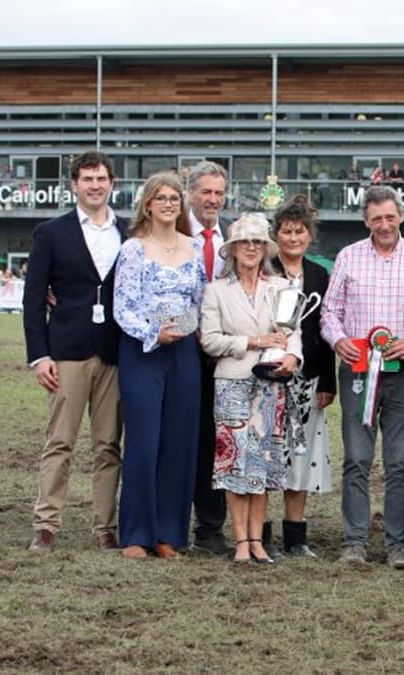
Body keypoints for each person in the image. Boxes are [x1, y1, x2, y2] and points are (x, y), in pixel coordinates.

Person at [321, 185, 404, 568]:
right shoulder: (348, 257)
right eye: (376, 219)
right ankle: (354, 542)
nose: (384, 225)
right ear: (365, 221)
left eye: (390, 217)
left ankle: (397, 546)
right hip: (357, 372)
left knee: (400, 462)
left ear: (401, 216)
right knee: (356, 458)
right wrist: (338, 340)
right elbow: (329, 311)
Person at [22, 151, 126, 552]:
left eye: (101, 178)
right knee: (60, 441)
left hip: (113, 352)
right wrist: (39, 356)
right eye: (87, 179)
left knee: (108, 445)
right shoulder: (51, 232)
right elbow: (33, 300)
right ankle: (46, 524)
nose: (95, 185)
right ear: (74, 185)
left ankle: (106, 527)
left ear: (111, 183)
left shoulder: (129, 233)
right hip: (66, 352)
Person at [201, 214, 302, 564]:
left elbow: (293, 332)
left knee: (263, 464)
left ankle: (258, 539)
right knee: (233, 465)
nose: (251, 248)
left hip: (270, 386)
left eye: (257, 242)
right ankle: (241, 540)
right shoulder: (216, 291)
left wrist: (292, 357)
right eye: (245, 242)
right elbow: (210, 341)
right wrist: (254, 341)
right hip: (230, 383)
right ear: (232, 249)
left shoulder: (280, 288)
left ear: (264, 248)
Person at [113, 171, 204, 559]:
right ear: (147, 204)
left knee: (179, 444)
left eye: (175, 198)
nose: (169, 204)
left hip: (183, 351)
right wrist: (154, 334)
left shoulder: (194, 246)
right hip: (142, 350)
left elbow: (199, 301)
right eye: (161, 198)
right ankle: (136, 533)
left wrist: (181, 330)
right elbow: (123, 306)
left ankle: (168, 533)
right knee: (145, 442)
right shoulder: (134, 249)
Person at [271, 194, 335, 557]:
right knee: (268, 455)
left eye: (299, 231)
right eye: (286, 231)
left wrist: (328, 381)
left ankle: (296, 537)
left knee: (300, 455)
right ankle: (260, 535)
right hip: (267, 377)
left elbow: (327, 331)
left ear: (309, 235)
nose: (293, 238)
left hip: (308, 378)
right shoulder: (264, 268)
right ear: (276, 234)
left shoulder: (319, 274)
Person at [187, 161, 236, 556]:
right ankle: (167, 521)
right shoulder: (167, 229)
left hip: (222, 356)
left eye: (219, 193)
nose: (213, 200)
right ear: (191, 192)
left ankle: (210, 526)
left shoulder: (234, 237)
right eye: (206, 192)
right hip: (178, 350)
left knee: (216, 441)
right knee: (178, 439)